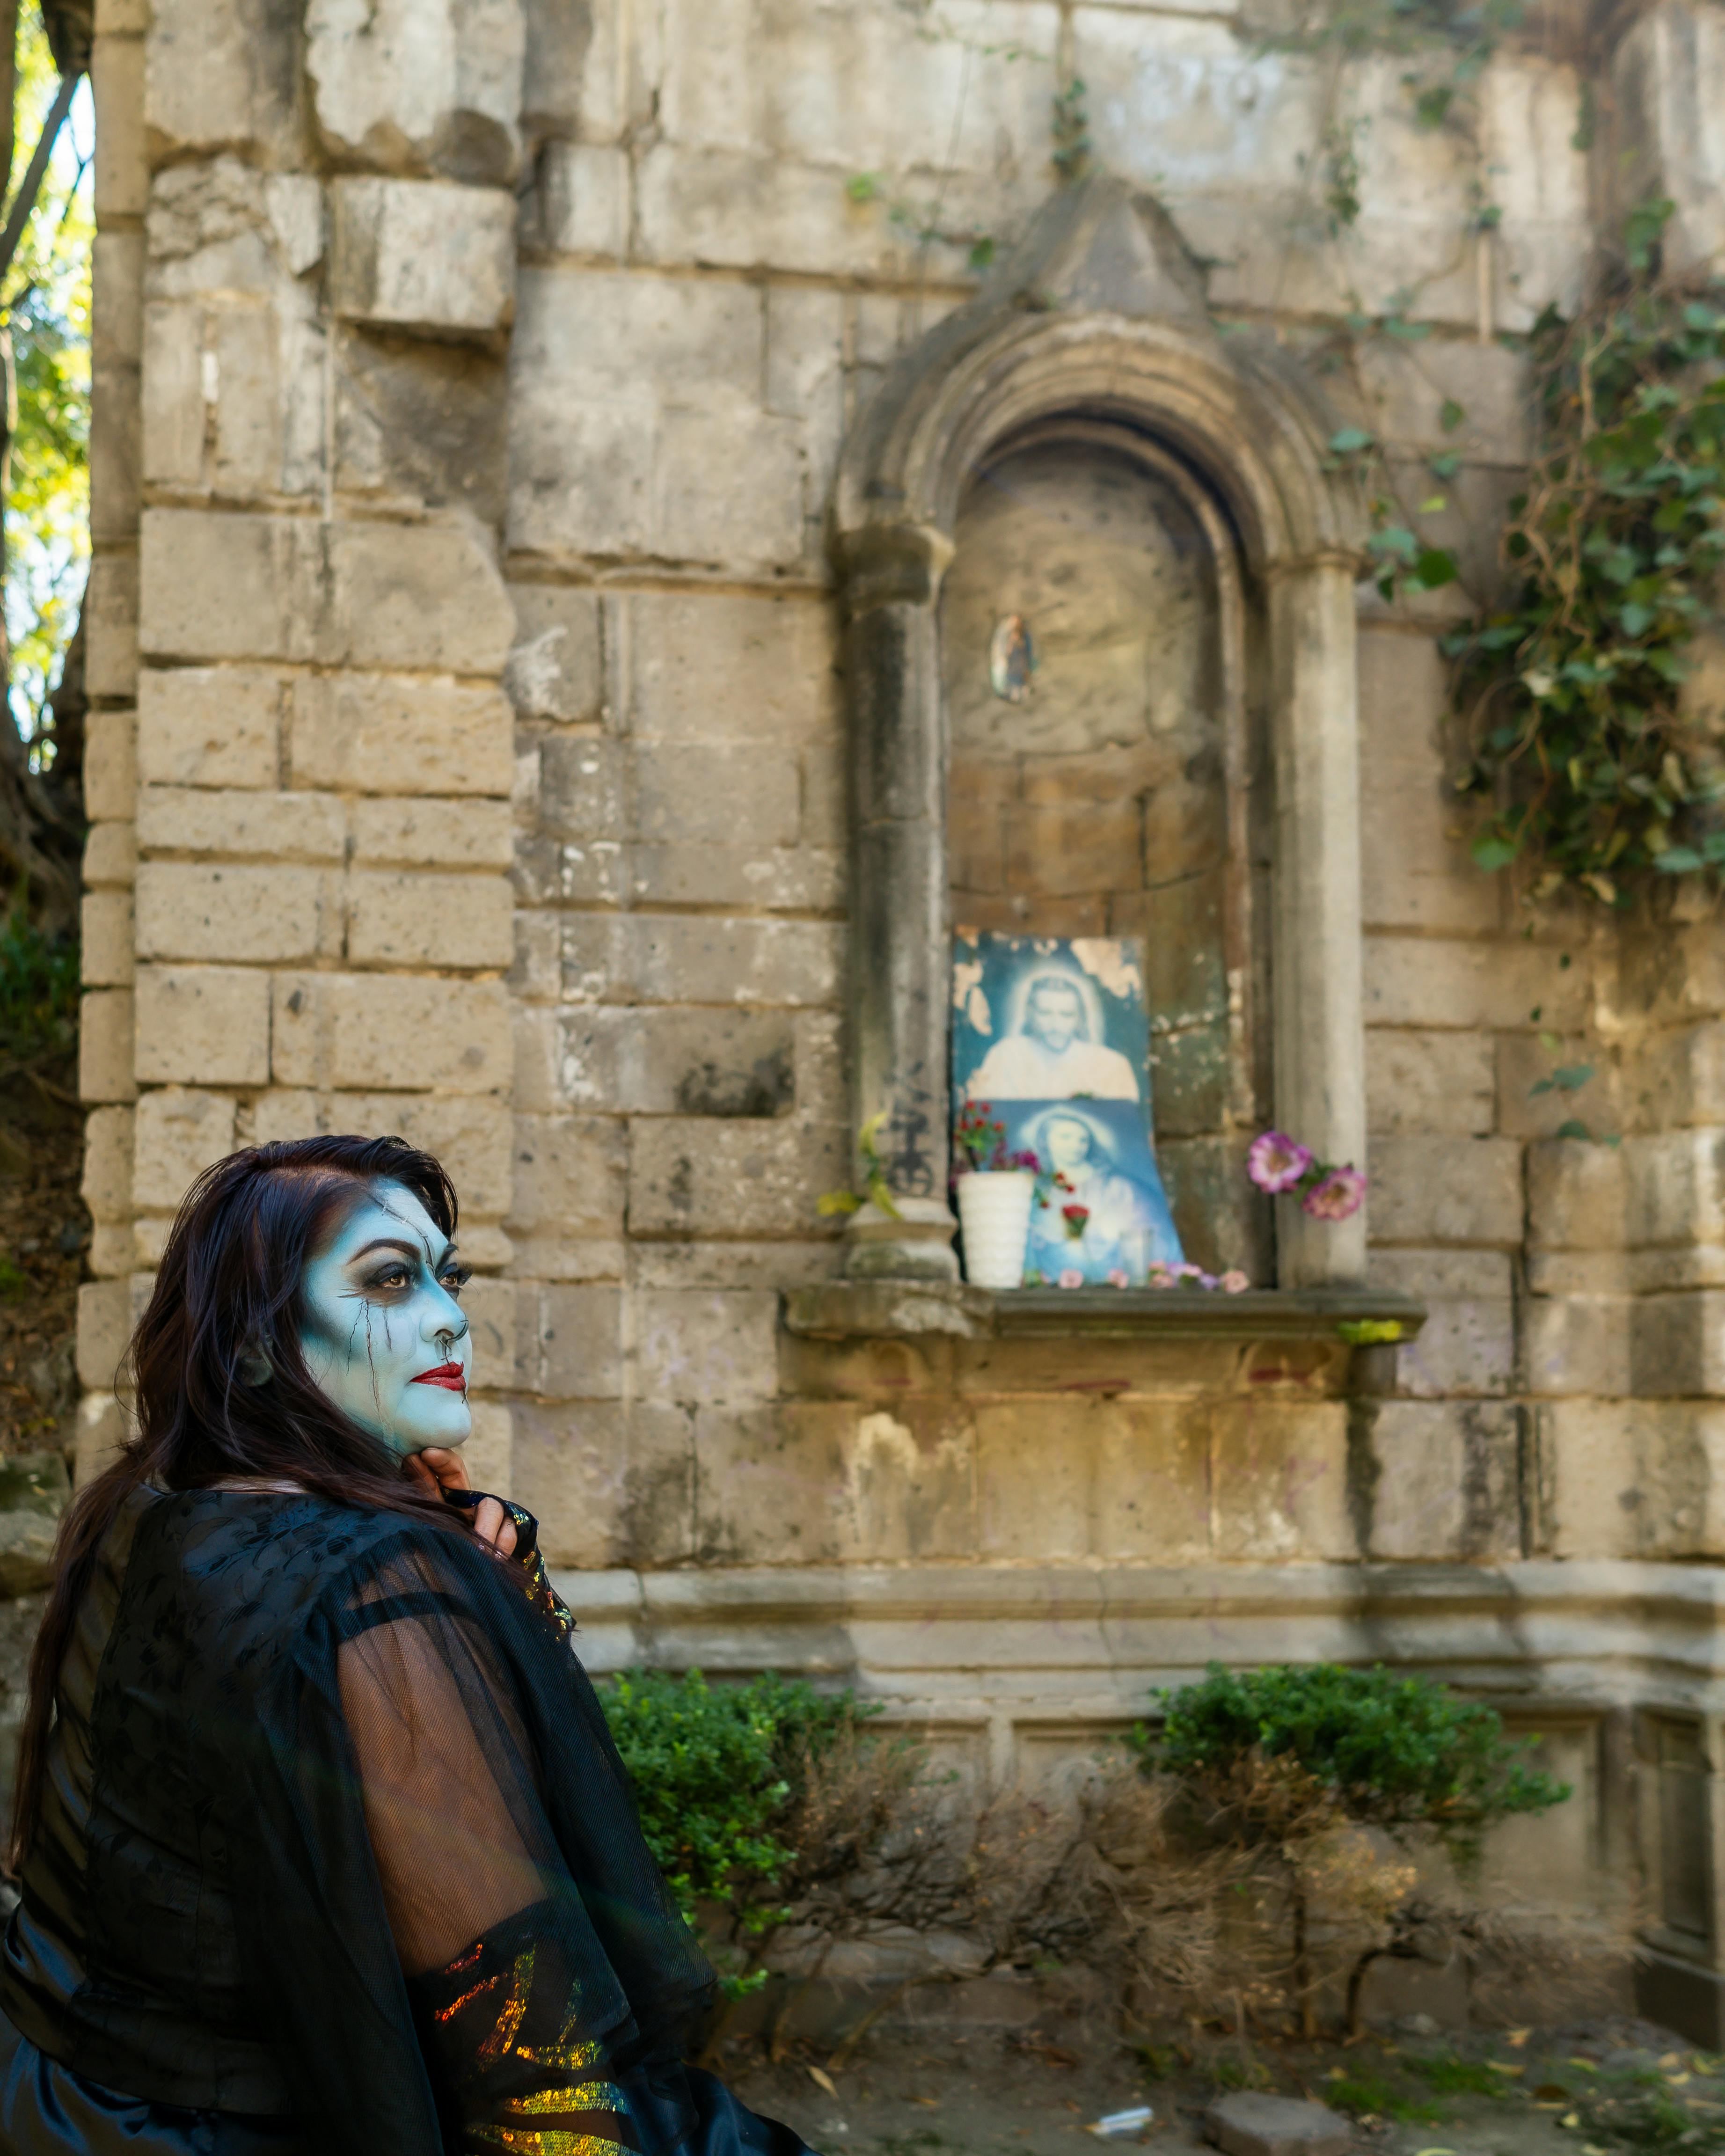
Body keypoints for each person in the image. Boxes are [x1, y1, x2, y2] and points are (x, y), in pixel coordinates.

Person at [0, 1134, 815, 2156]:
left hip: (60, 2094)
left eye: (448, 1275)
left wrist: (482, 1582)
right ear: (252, 1345)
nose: (451, 1315)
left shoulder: (149, 1503)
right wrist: (432, 1584)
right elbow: (535, 2077)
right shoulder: (375, 1587)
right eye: (390, 1278)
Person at [1022, 1105, 1182, 1282]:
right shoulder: (1037, 1190)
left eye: (1083, 1140)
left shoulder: (1118, 1188)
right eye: (1065, 1137)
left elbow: (1156, 1240)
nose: (1076, 1146)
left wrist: (1105, 1237)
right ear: (1045, 1141)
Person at [963, 973, 1140, 1101]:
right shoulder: (1006, 1055)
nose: (1056, 1025)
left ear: (1080, 1018)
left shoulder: (1111, 1065)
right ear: (1031, 1014)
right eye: (1045, 1013)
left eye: (1066, 1015)